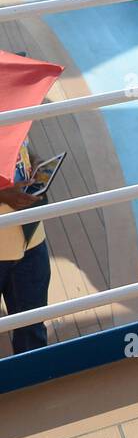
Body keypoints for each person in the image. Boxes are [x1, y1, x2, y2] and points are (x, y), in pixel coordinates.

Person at [0, 139, 52, 355]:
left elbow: (21, 141)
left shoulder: (12, 105)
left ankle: (34, 387)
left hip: (31, 239)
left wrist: (34, 159)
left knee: (32, 333)